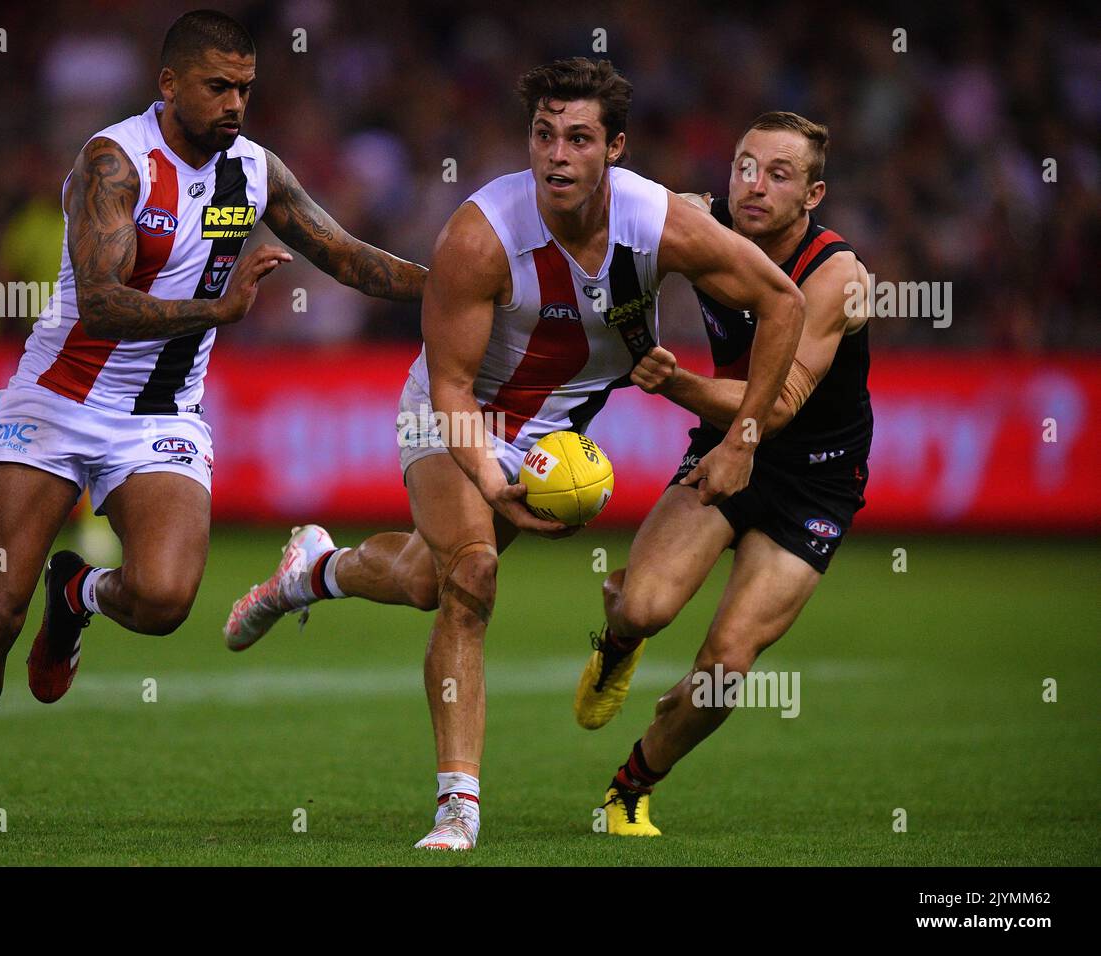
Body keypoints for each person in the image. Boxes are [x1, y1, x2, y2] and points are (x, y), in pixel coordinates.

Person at [223, 60, 805, 850]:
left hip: (554, 432)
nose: (557, 156)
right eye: (543, 135)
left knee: (430, 582)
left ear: (616, 149)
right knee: (472, 576)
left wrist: (744, 439)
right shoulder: (479, 235)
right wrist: (495, 484)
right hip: (453, 412)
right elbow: (453, 388)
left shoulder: (658, 221)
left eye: (578, 138)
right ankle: (458, 806)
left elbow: (784, 301)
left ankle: (316, 569)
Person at [0, 10, 426, 834]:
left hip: (159, 415)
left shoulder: (256, 172)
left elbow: (349, 255)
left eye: (246, 88)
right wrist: (219, 307)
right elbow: (101, 303)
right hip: (57, 402)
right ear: (169, 84)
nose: (236, 105)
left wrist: (467, 282)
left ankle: (77, 593)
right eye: (218, 87)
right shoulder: (114, 162)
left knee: (167, 598)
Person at [574, 112, 873, 836]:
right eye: (744, 165)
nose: (755, 186)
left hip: (813, 476)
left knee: (725, 667)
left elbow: (776, 408)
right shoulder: (694, 220)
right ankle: (618, 642)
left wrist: (668, 379)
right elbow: (595, 225)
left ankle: (629, 788)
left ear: (813, 195)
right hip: (722, 441)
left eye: (779, 174)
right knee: (643, 609)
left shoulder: (837, 278)